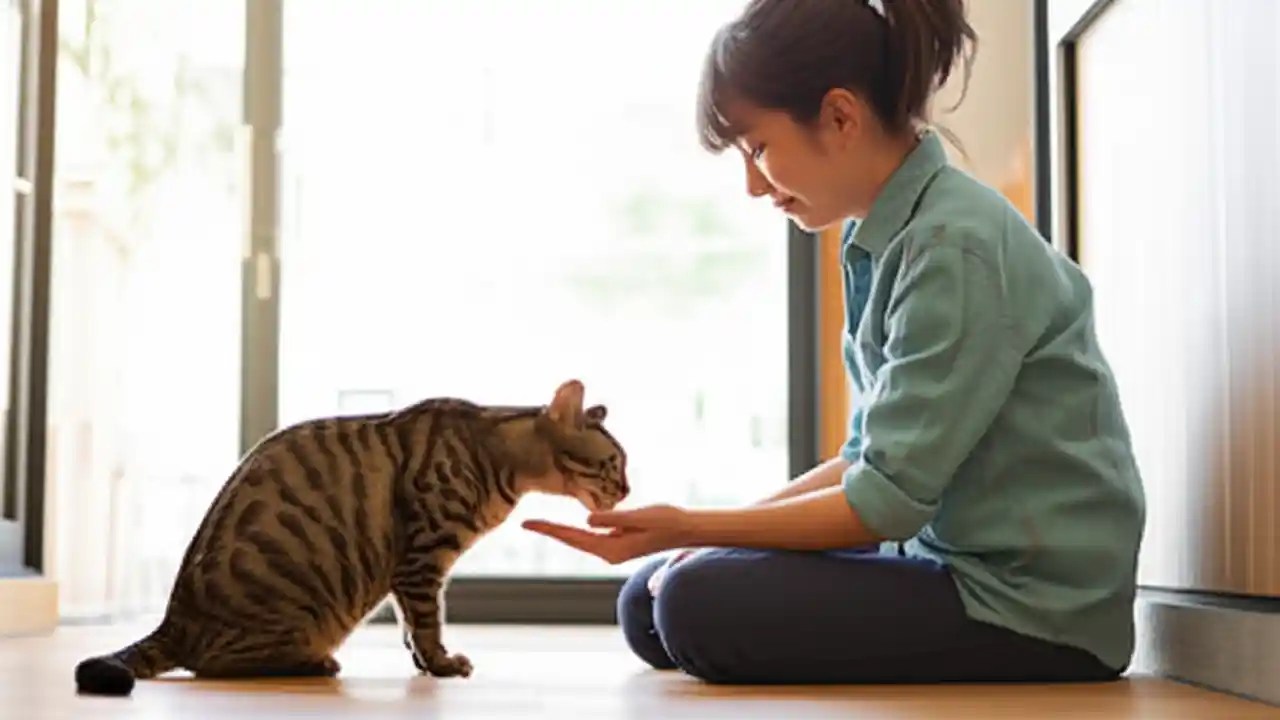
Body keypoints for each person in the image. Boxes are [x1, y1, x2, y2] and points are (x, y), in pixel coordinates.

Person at [522, 0, 1146, 686]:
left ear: (841, 117)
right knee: (649, 600)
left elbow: (881, 503)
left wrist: (696, 527)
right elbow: (864, 460)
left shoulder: (952, 245)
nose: (753, 185)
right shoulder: (882, 235)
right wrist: (697, 535)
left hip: (1037, 610)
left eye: (759, 149)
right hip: (949, 564)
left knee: (692, 604)